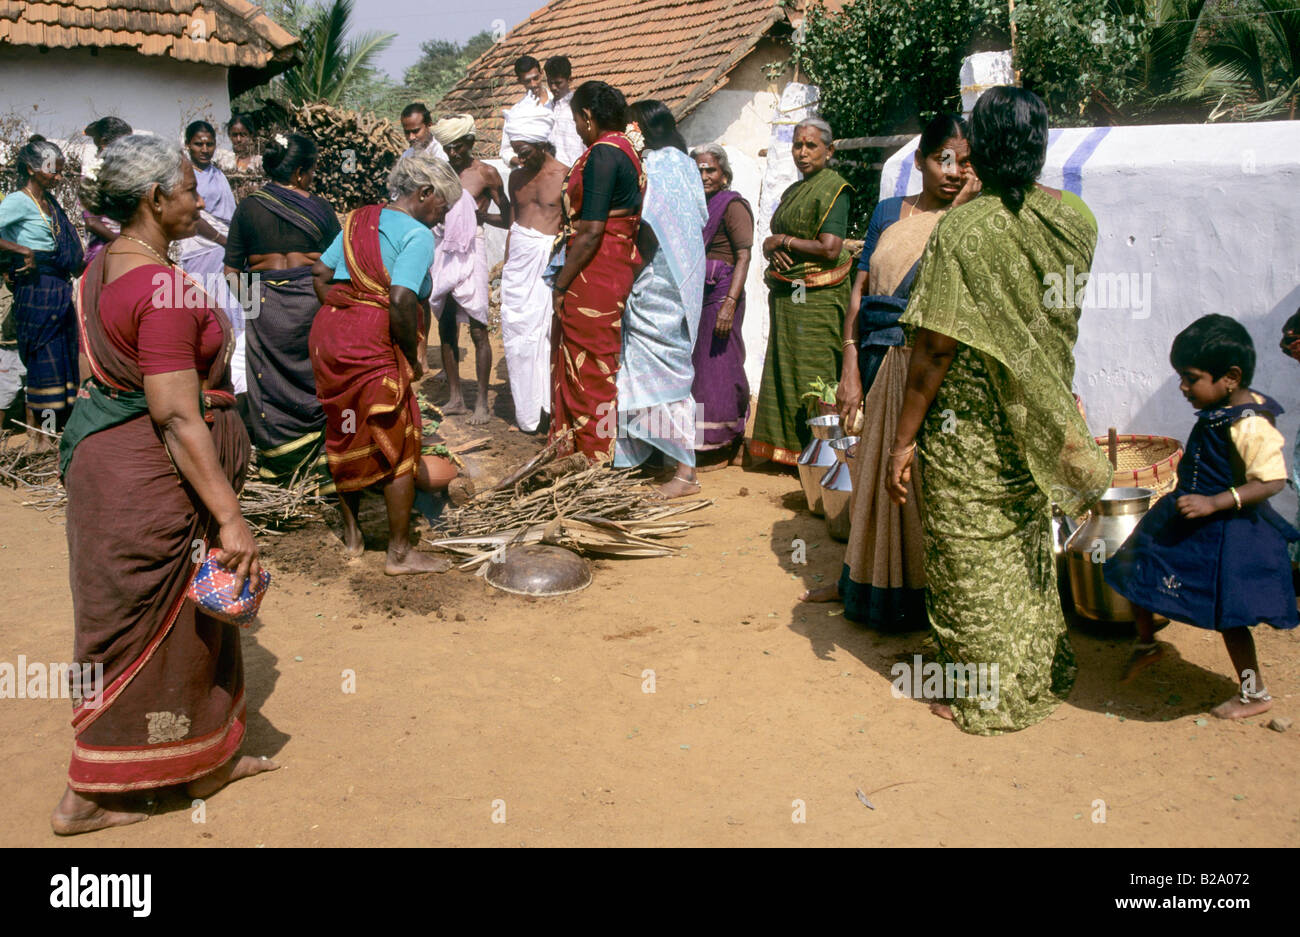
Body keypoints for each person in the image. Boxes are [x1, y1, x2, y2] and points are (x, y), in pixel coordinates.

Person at [53, 134, 276, 835]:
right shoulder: (165, 290)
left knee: (187, 626)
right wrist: (229, 514)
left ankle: (205, 758)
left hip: (115, 475)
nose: (198, 197)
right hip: (153, 481)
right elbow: (178, 415)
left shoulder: (100, 269)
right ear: (155, 199)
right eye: (187, 187)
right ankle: (89, 794)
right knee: (142, 633)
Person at [887, 87, 1113, 735]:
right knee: (1023, 544)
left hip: (970, 417)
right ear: (1042, 144)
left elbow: (932, 351)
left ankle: (986, 692)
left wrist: (903, 440)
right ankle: (1033, 665)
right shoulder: (1077, 219)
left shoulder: (962, 230)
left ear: (979, 147)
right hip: (1036, 411)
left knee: (968, 549)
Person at [803, 115, 978, 629]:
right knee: (875, 474)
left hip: (933, 368)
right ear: (921, 161)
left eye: (963, 162)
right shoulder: (887, 213)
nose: (952, 171)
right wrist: (850, 365)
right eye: (941, 158)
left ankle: (929, 597)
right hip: (879, 355)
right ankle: (859, 578)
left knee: (924, 482)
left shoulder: (975, 220)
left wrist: (962, 213)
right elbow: (860, 295)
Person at [1105, 315, 1297, 718]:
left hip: (1226, 528)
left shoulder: (1250, 423)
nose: (1183, 388)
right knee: (1134, 565)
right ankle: (1147, 644)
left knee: (1231, 616)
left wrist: (1216, 502)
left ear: (1230, 377)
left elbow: (1272, 481)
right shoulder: (1222, 406)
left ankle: (1254, 692)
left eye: (1191, 378)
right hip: (1185, 515)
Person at [309, 154, 460, 575]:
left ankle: (354, 536)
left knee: (345, 427)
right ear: (424, 193)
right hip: (374, 343)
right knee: (400, 436)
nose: (440, 218)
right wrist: (409, 357)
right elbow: (400, 298)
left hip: (330, 338)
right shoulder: (418, 235)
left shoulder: (358, 220)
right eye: (442, 208)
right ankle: (399, 553)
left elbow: (320, 274)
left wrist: (348, 313)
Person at [224, 133, 341, 489]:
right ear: (301, 173)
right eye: (313, 170)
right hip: (312, 302)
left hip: (263, 303)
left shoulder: (247, 208)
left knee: (270, 385)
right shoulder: (320, 209)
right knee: (317, 378)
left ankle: (281, 468)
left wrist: (254, 304)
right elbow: (336, 264)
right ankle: (324, 467)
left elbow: (231, 269)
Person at [614, 100, 707, 498]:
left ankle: (686, 472)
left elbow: (648, 227)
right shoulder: (685, 163)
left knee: (655, 369)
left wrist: (629, 271)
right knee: (666, 369)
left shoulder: (654, 165)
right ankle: (649, 456)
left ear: (638, 127)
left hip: (657, 278)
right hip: (683, 277)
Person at [550, 80, 645, 463]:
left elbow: (590, 231)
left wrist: (560, 283)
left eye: (575, 120)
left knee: (592, 372)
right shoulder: (627, 151)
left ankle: (595, 464)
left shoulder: (604, 154)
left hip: (594, 273)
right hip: (610, 268)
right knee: (594, 365)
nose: (575, 128)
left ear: (587, 117)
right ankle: (580, 457)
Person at [749, 118, 852, 465]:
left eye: (811, 146)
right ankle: (786, 448)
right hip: (792, 291)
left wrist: (784, 241)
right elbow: (778, 239)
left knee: (813, 368)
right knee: (788, 361)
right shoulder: (794, 191)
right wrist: (769, 245)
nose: (803, 153)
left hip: (817, 296)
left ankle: (819, 452)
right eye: (797, 145)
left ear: (829, 150)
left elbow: (828, 248)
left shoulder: (834, 189)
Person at [0, 136, 85, 442]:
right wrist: (21, 251)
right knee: (42, 363)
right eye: (53, 170)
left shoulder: (50, 204)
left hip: (58, 290)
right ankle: (41, 434)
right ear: (31, 168)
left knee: (61, 362)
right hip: (36, 291)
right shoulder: (17, 202)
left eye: (61, 171)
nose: (58, 177)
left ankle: (56, 430)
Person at [431, 115, 509, 425]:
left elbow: (508, 218)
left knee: (478, 326)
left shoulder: (486, 174)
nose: (453, 153)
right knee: (447, 323)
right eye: (448, 148)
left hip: (473, 251)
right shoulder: (440, 173)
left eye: (458, 147)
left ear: (471, 143)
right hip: (444, 250)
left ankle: (481, 402)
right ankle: (455, 397)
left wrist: (480, 218)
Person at [501, 96, 564, 433]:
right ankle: (527, 412)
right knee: (517, 336)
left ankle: (552, 409)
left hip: (551, 265)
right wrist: (506, 267)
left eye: (525, 150)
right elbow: (514, 225)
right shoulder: (516, 179)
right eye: (516, 150)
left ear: (541, 143)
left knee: (547, 338)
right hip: (520, 268)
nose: (520, 157)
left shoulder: (565, 177)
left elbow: (573, 229)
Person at [691, 143, 753, 468]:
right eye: (698, 170)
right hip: (698, 297)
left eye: (710, 169)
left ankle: (726, 441)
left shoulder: (732, 206)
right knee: (701, 371)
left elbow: (744, 255)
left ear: (724, 175)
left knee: (721, 367)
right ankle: (704, 442)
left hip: (722, 295)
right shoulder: (696, 207)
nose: (703, 175)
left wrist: (729, 303)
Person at [179, 120, 248, 395]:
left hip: (225, 253)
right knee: (205, 309)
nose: (205, 149)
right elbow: (193, 217)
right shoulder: (185, 176)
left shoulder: (217, 174)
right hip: (199, 251)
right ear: (188, 145)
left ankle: (232, 374)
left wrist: (232, 243)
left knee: (232, 309)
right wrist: (223, 240)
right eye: (198, 143)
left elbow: (229, 215)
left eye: (209, 143)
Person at [82, 117, 132, 265]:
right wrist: (125, 244)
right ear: (104, 143)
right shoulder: (92, 176)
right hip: (103, 256)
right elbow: (92, 222)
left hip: (127, 254)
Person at [544, 55, 585, 167]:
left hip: (573, 171)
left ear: (569, 80)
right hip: (551, 174)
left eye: (558, 83)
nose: (553, 87)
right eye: (550, 82)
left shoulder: (578, 106)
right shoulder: (545, 109)